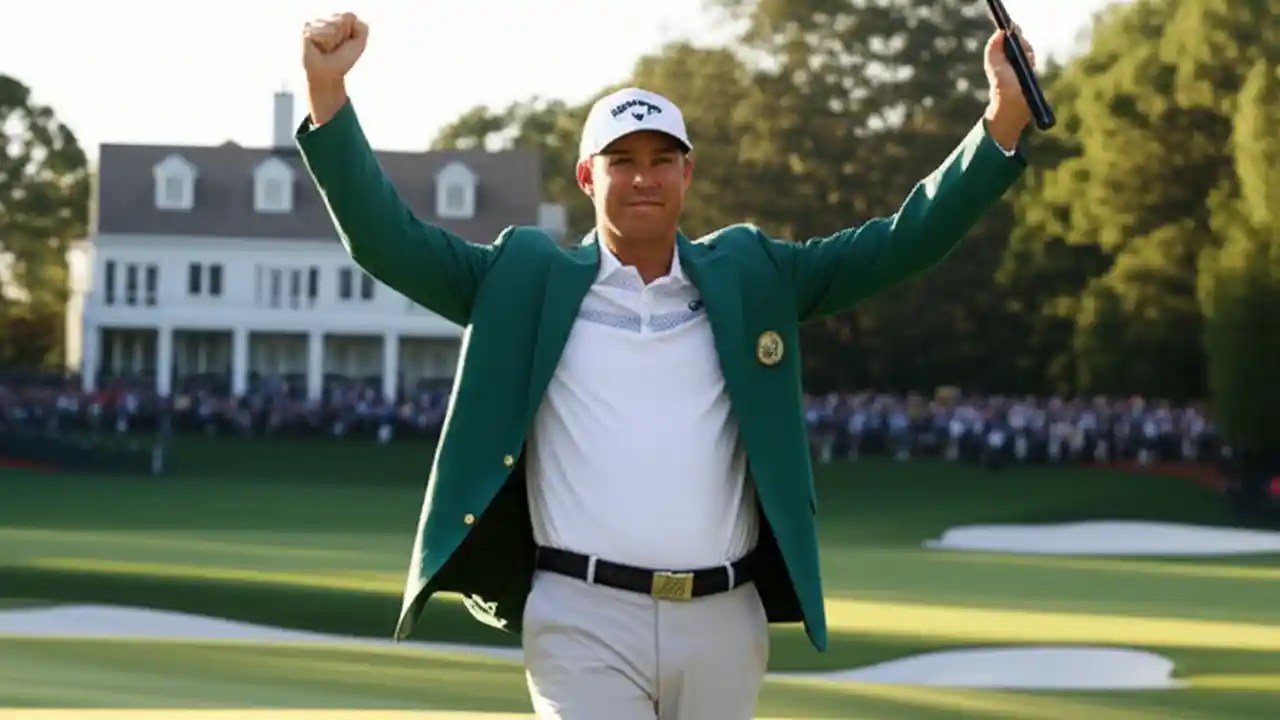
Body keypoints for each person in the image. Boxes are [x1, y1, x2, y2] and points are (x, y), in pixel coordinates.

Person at [295, 11, 1037, 719]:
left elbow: (899, 243)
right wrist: (329, 97)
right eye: (622, 162)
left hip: (723, 616)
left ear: (688, 175)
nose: (642, 178)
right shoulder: (523, 279)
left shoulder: (752, 275)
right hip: (578, 613)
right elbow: (387, 240)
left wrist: (1000, 119)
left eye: (661, 161)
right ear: (589, 178)